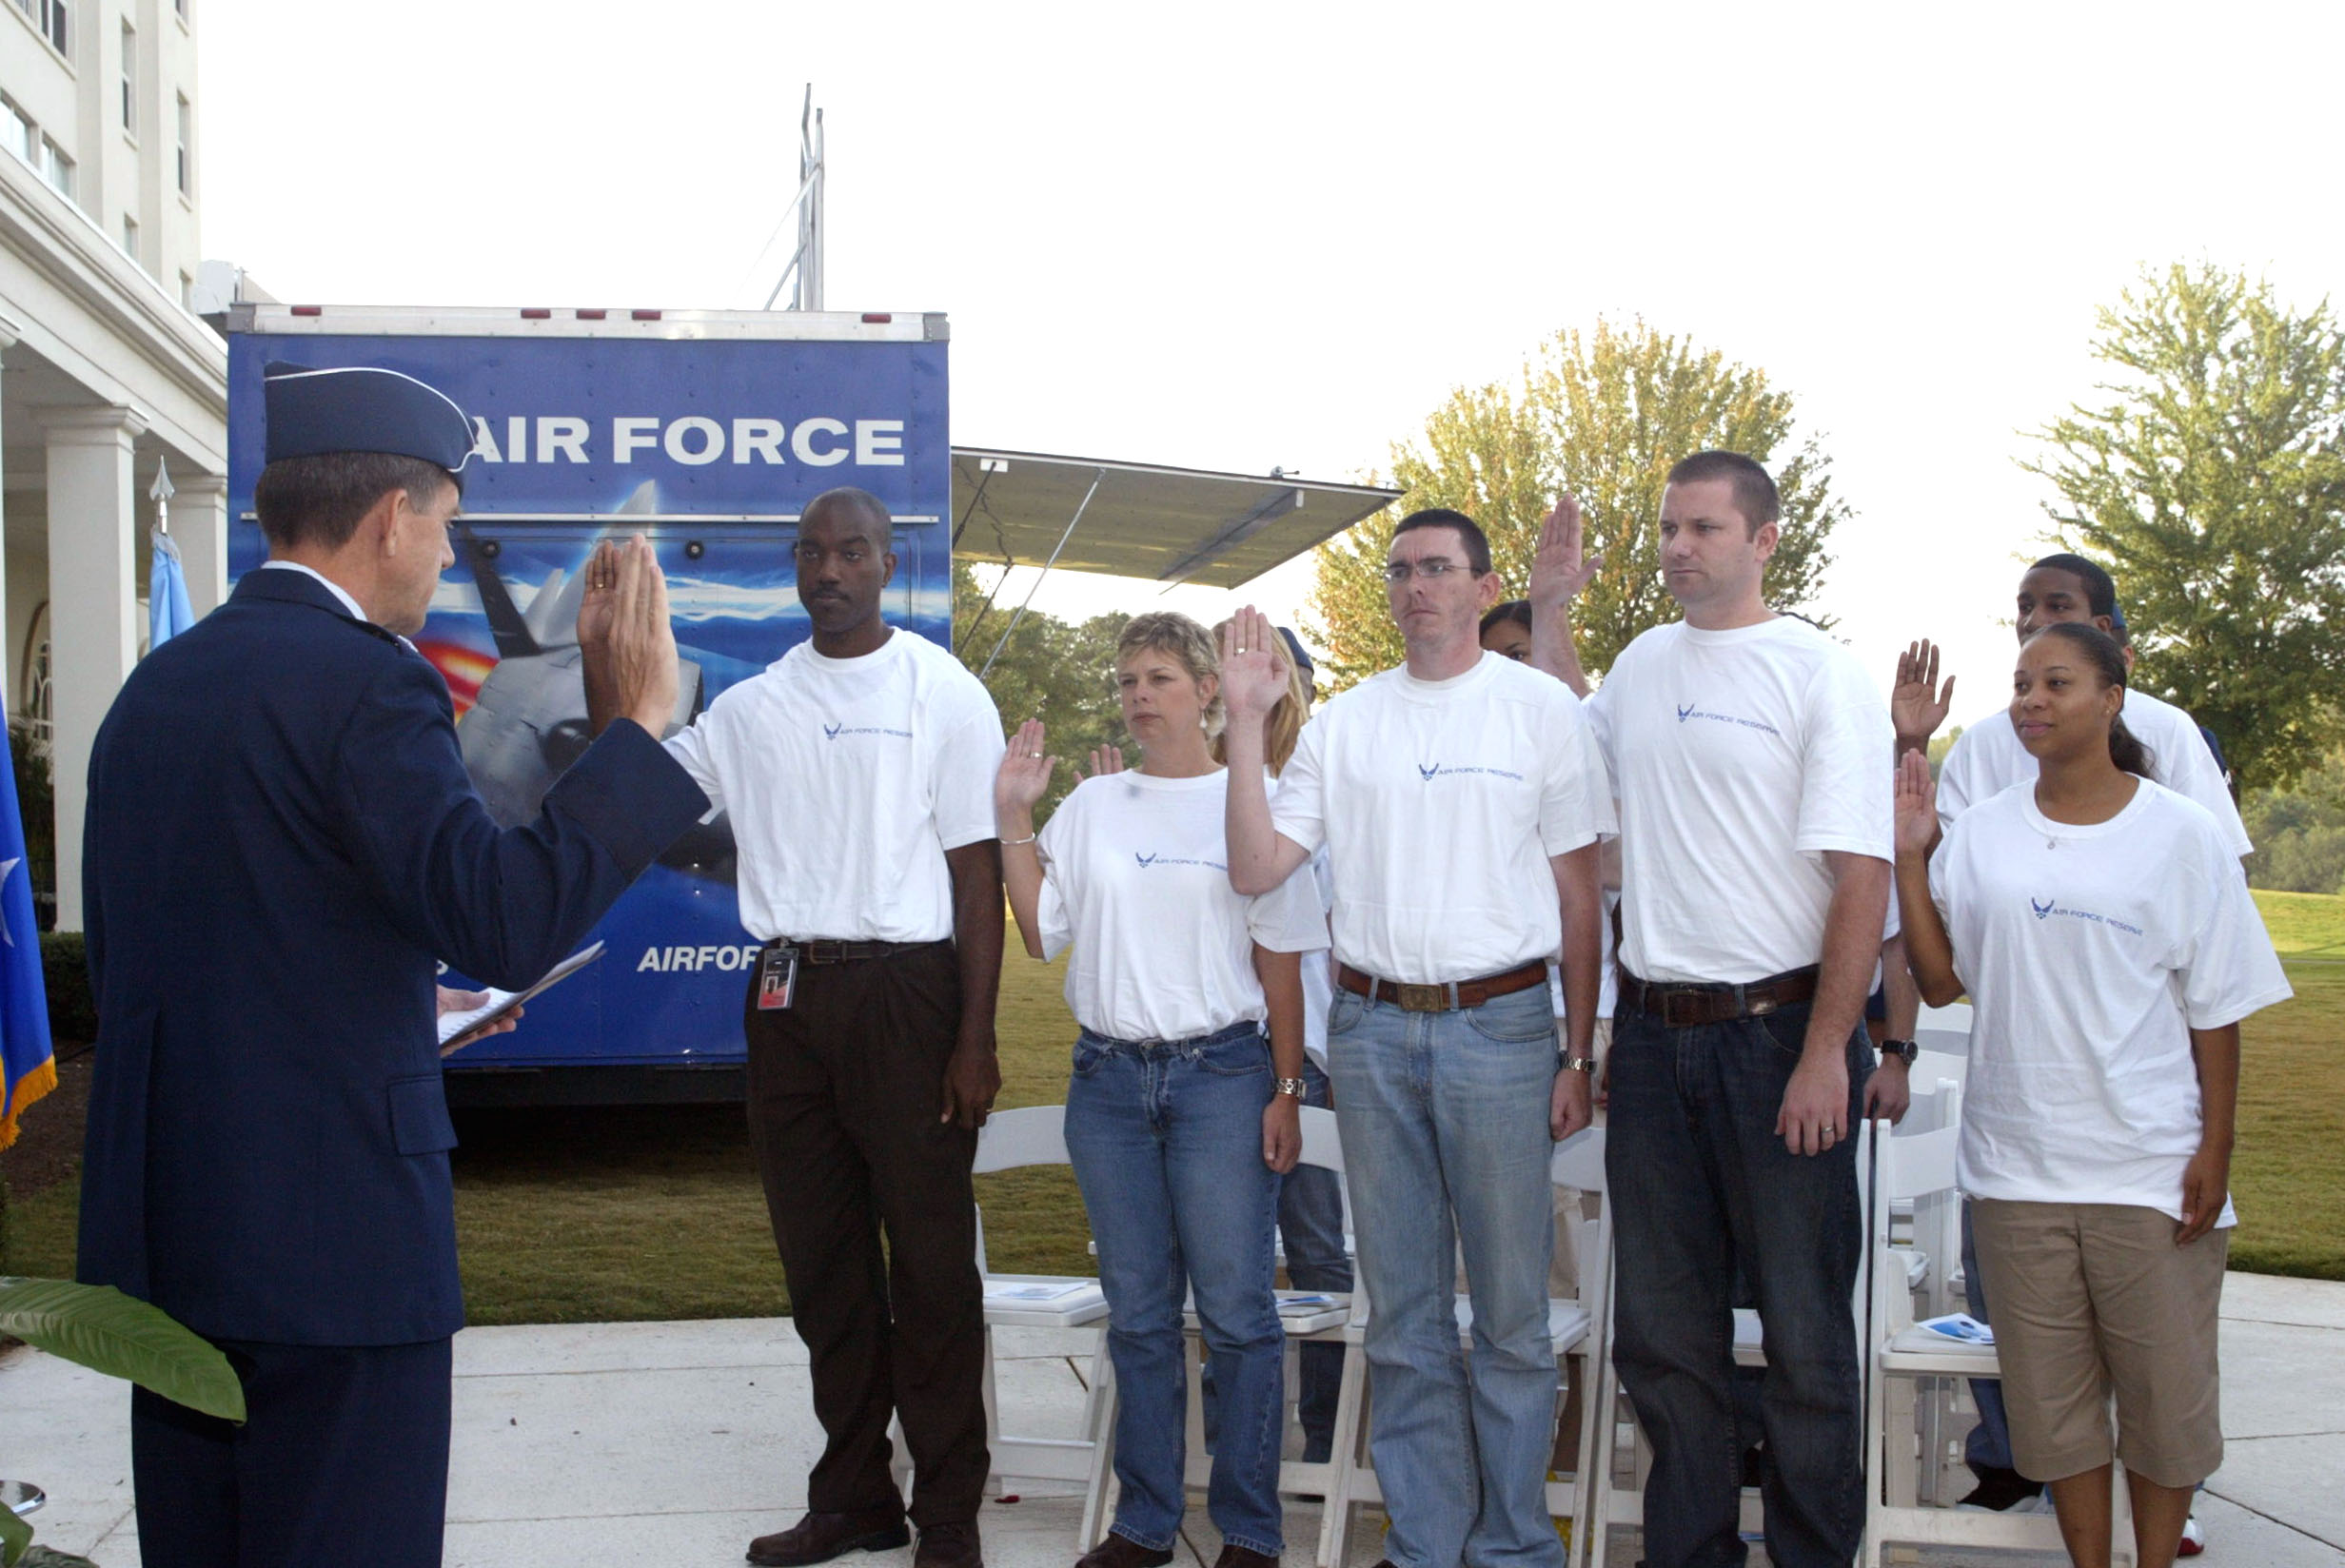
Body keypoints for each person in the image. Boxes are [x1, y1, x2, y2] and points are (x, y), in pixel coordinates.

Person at [75, 362, 712, 1568]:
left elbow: (170, 950)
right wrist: (633, 728)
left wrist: (391, 1001)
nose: (445, 552)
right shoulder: (371, 684)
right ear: (389, 519)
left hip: (173, 1242)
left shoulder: (155, 688)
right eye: (446, 522)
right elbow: (505, 923)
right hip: (332, 1252)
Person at [588, 486, 1006, 1568]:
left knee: (929, 1267)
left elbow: (977, 875)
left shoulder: (941, 691)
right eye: (813, 553)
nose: (830, 570)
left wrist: (974, 1039)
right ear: (795, 566)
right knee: (824, 1267)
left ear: (886, 565)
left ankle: (947, 1511)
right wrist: (603, 661)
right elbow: (635, 796)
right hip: (785, 1002)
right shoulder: (754, 706)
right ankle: (855, 1495)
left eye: (852, 552)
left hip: (908, 998)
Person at [1528, 457, 1901, 1568]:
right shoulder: (1644, 664)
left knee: (1802, 1329)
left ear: (1763, 539)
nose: (1678, 547)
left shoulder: (1818, 672)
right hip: (1653, 1038)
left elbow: (1861, 876)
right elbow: (1570, 747)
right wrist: (1549, 612)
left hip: (1780, 1034)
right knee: (1662, 1334)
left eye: (1703, 527)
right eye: (1666, 528)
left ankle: (1811, 1554)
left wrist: (1827, 1051)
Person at [1223, 507, 1612, 1568]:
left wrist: (1578, 1054)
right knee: (1400, 1315)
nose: (1415, 586)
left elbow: (1581, 900)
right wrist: (1248, 723)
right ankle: (1426, 1544)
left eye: (1437, 568)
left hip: (1504, 1029)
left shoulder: (1541, 711)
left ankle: (1515, 1545)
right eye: (1399, 571)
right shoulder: (1347, 724)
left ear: (1483, 588)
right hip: (1371, 1029)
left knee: (1511, 1316)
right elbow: (1257, 869)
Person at [1893, 621, 2289, 1568]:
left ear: (2112, 698)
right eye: (2021, 683)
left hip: (2146, 1170)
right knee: (2054, 1413)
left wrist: (2214, 1149)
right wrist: (1911, 855)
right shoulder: (1985, 833)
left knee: (2165, 1407)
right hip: (2016, 1172)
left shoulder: (2180, 834)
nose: (2031, 700)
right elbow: (1940, 981)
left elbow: (2216, 1009)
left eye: (2056, 682)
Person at [995, 611, 1326, 1568]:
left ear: (1208, 690)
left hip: (1221, 1078)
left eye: (1160, 679)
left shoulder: (1250, 800)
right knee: (1138, 1316)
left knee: (1236, 1315)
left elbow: (1280, 963)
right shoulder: (1094, 805)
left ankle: (1250, 1532)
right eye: (1128, 680)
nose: (1139, 696)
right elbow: (1039, 933)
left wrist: (1286, 1089)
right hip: (1106, 1082)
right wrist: (1015, 818)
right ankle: (1144, 1523)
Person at [1205, 621, 1353, 1468]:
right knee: (1224, 1256)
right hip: (1218, 1054)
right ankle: (1227, 1441)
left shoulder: (1323, 787)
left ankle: (1327, 1441)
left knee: (1318, 1248)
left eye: (1276, 671)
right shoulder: (1203, 789)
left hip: (1315, 1054)